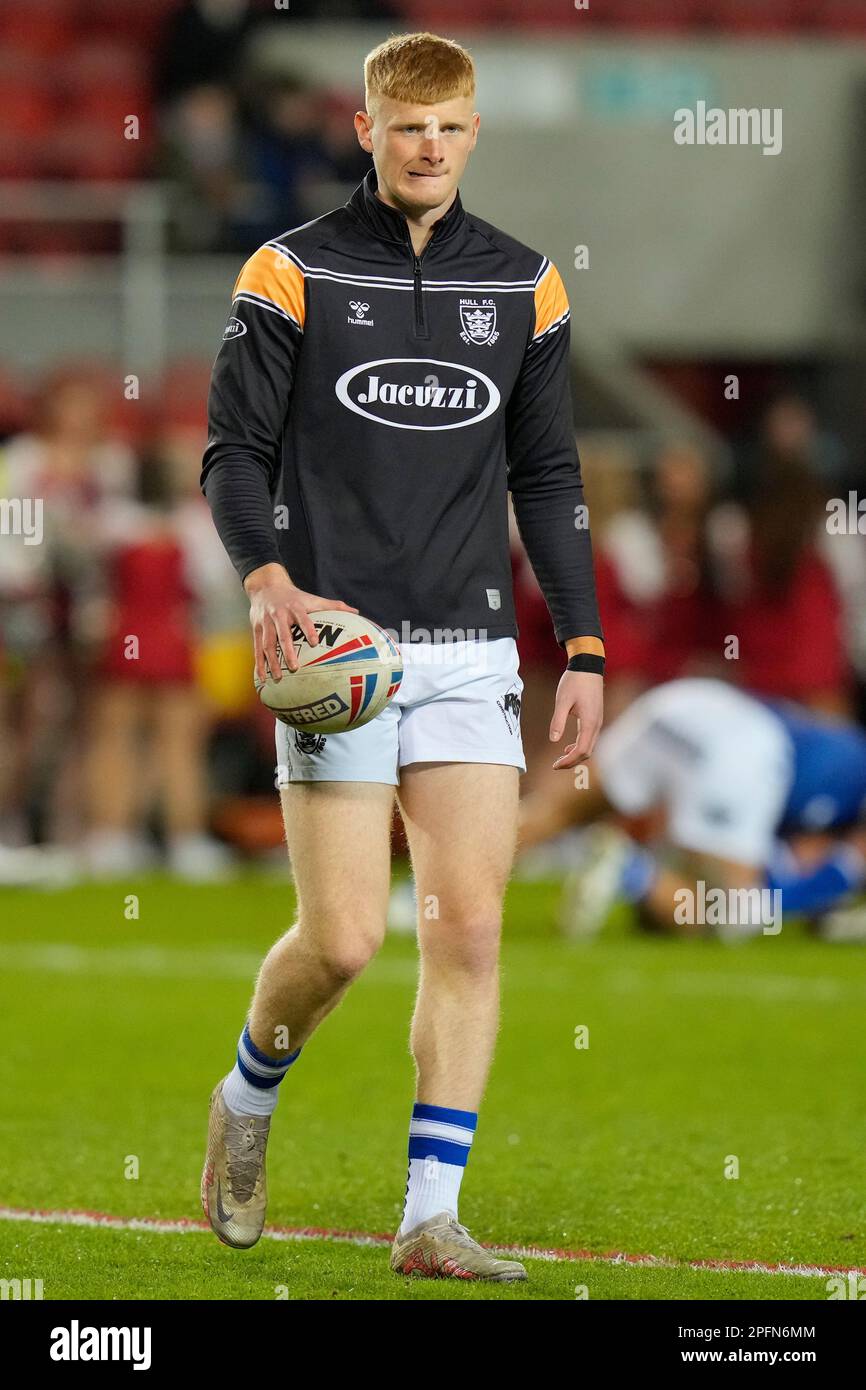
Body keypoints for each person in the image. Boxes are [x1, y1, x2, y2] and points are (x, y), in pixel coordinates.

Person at [199, 31, 604, 1281]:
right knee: (343, 941)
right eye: (404, 125)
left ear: (472, 135)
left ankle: (430, 1217)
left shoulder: (526, 286)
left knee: (470, 930)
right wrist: (268, 579)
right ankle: (249, 1094)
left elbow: (545, 474)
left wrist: (581, 640)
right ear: (364, 129)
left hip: (471, 648)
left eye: (449, 127)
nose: (427, 146)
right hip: (339, 649)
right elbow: (232, 454)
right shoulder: (291, 271)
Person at [518, 678, 866, 941]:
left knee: (555, 813)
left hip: (684, 704)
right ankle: (629, 868)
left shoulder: (839, 752)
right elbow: (802, 871)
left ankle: (467, 868)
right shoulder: (849, 777)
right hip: (740, 751)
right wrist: (841, 888)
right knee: (735, 913)